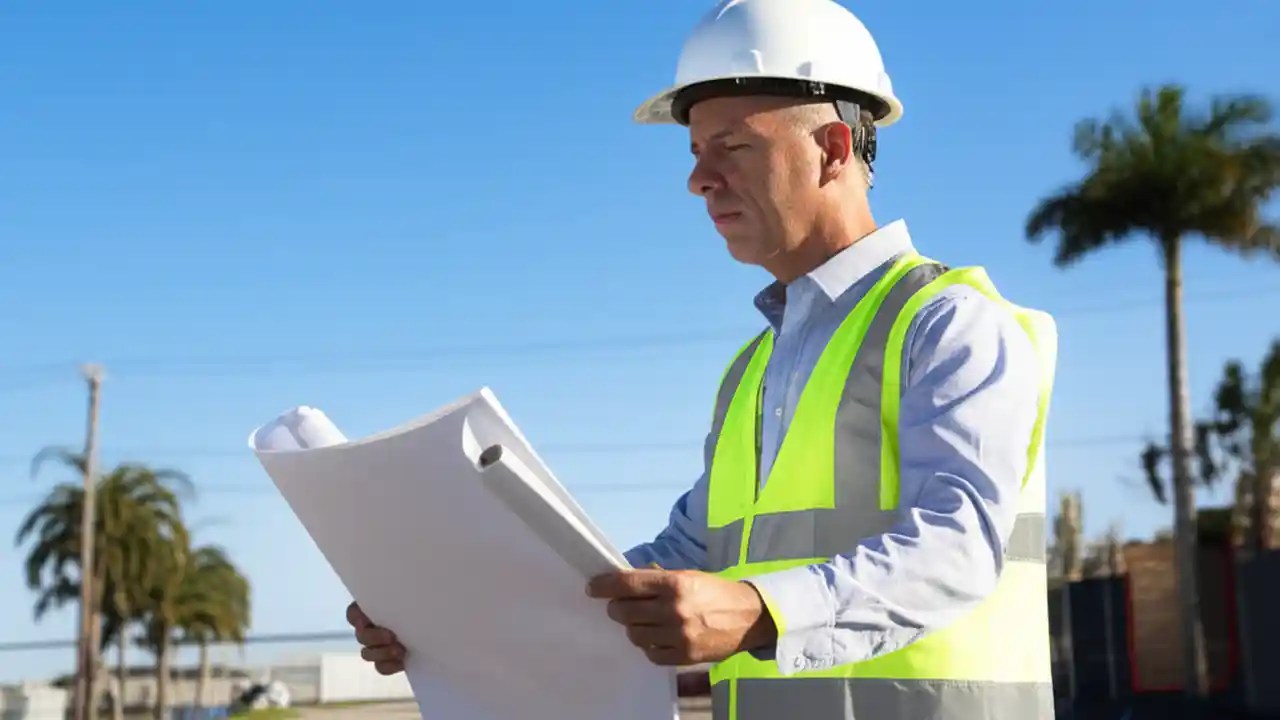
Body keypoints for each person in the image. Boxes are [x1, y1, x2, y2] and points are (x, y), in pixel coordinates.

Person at [347, 0, 1058, 717]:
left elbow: (958, 545)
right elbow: (681, 559)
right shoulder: (753, 370)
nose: (699, 180)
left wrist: (758, 611)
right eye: (694, 152)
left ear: (835, 149)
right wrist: (456, 624)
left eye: (733, 147)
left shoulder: (950, 324)